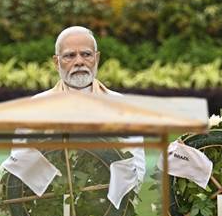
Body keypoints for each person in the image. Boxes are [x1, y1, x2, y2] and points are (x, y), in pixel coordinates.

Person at [34, 26, 146, 184]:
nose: (79, 61)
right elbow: (21, 164)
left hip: (107, 205)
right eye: (70, 56)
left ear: (97, 58)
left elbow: (136, 167)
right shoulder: (35, 107)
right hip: (51, 203)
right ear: (56, 62)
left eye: (86, 54)